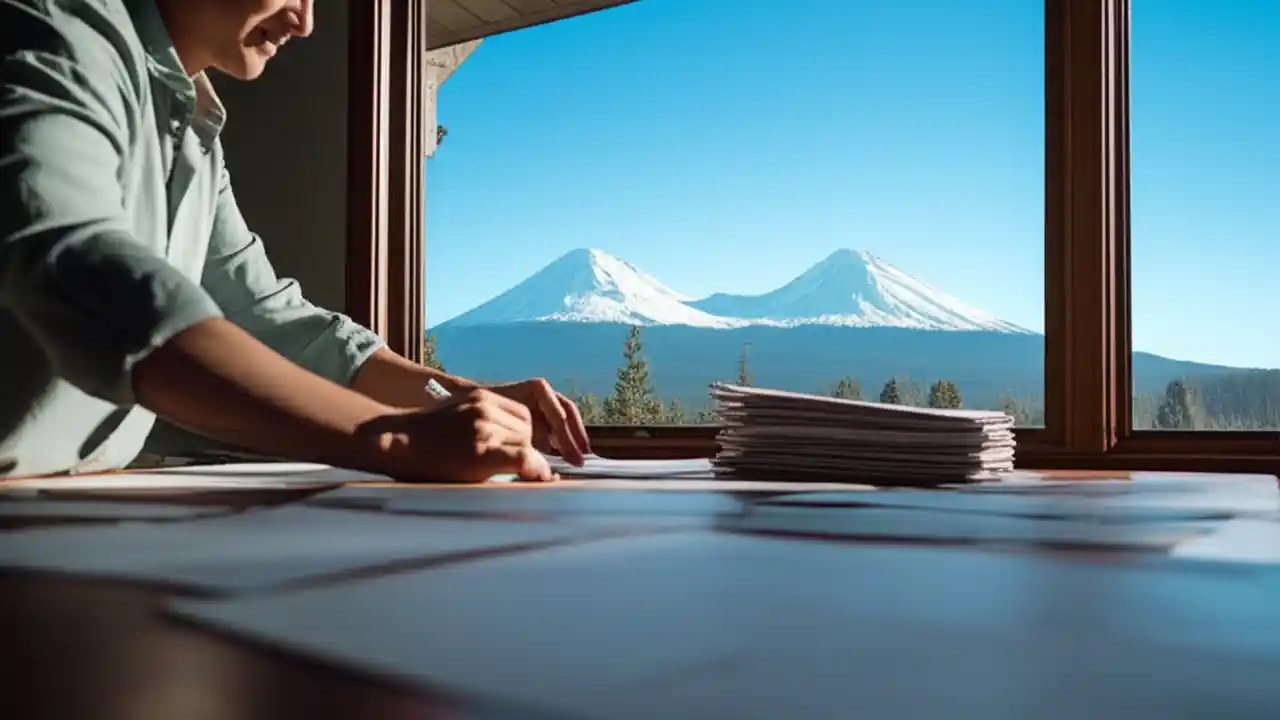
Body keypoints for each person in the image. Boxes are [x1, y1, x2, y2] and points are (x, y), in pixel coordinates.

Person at [0, 0, 590, 483]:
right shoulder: (45, 32)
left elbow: (273, 320)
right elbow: (85, 274)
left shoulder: (194, 133)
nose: (305, 21)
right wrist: (395, 438)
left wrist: (463, 399)